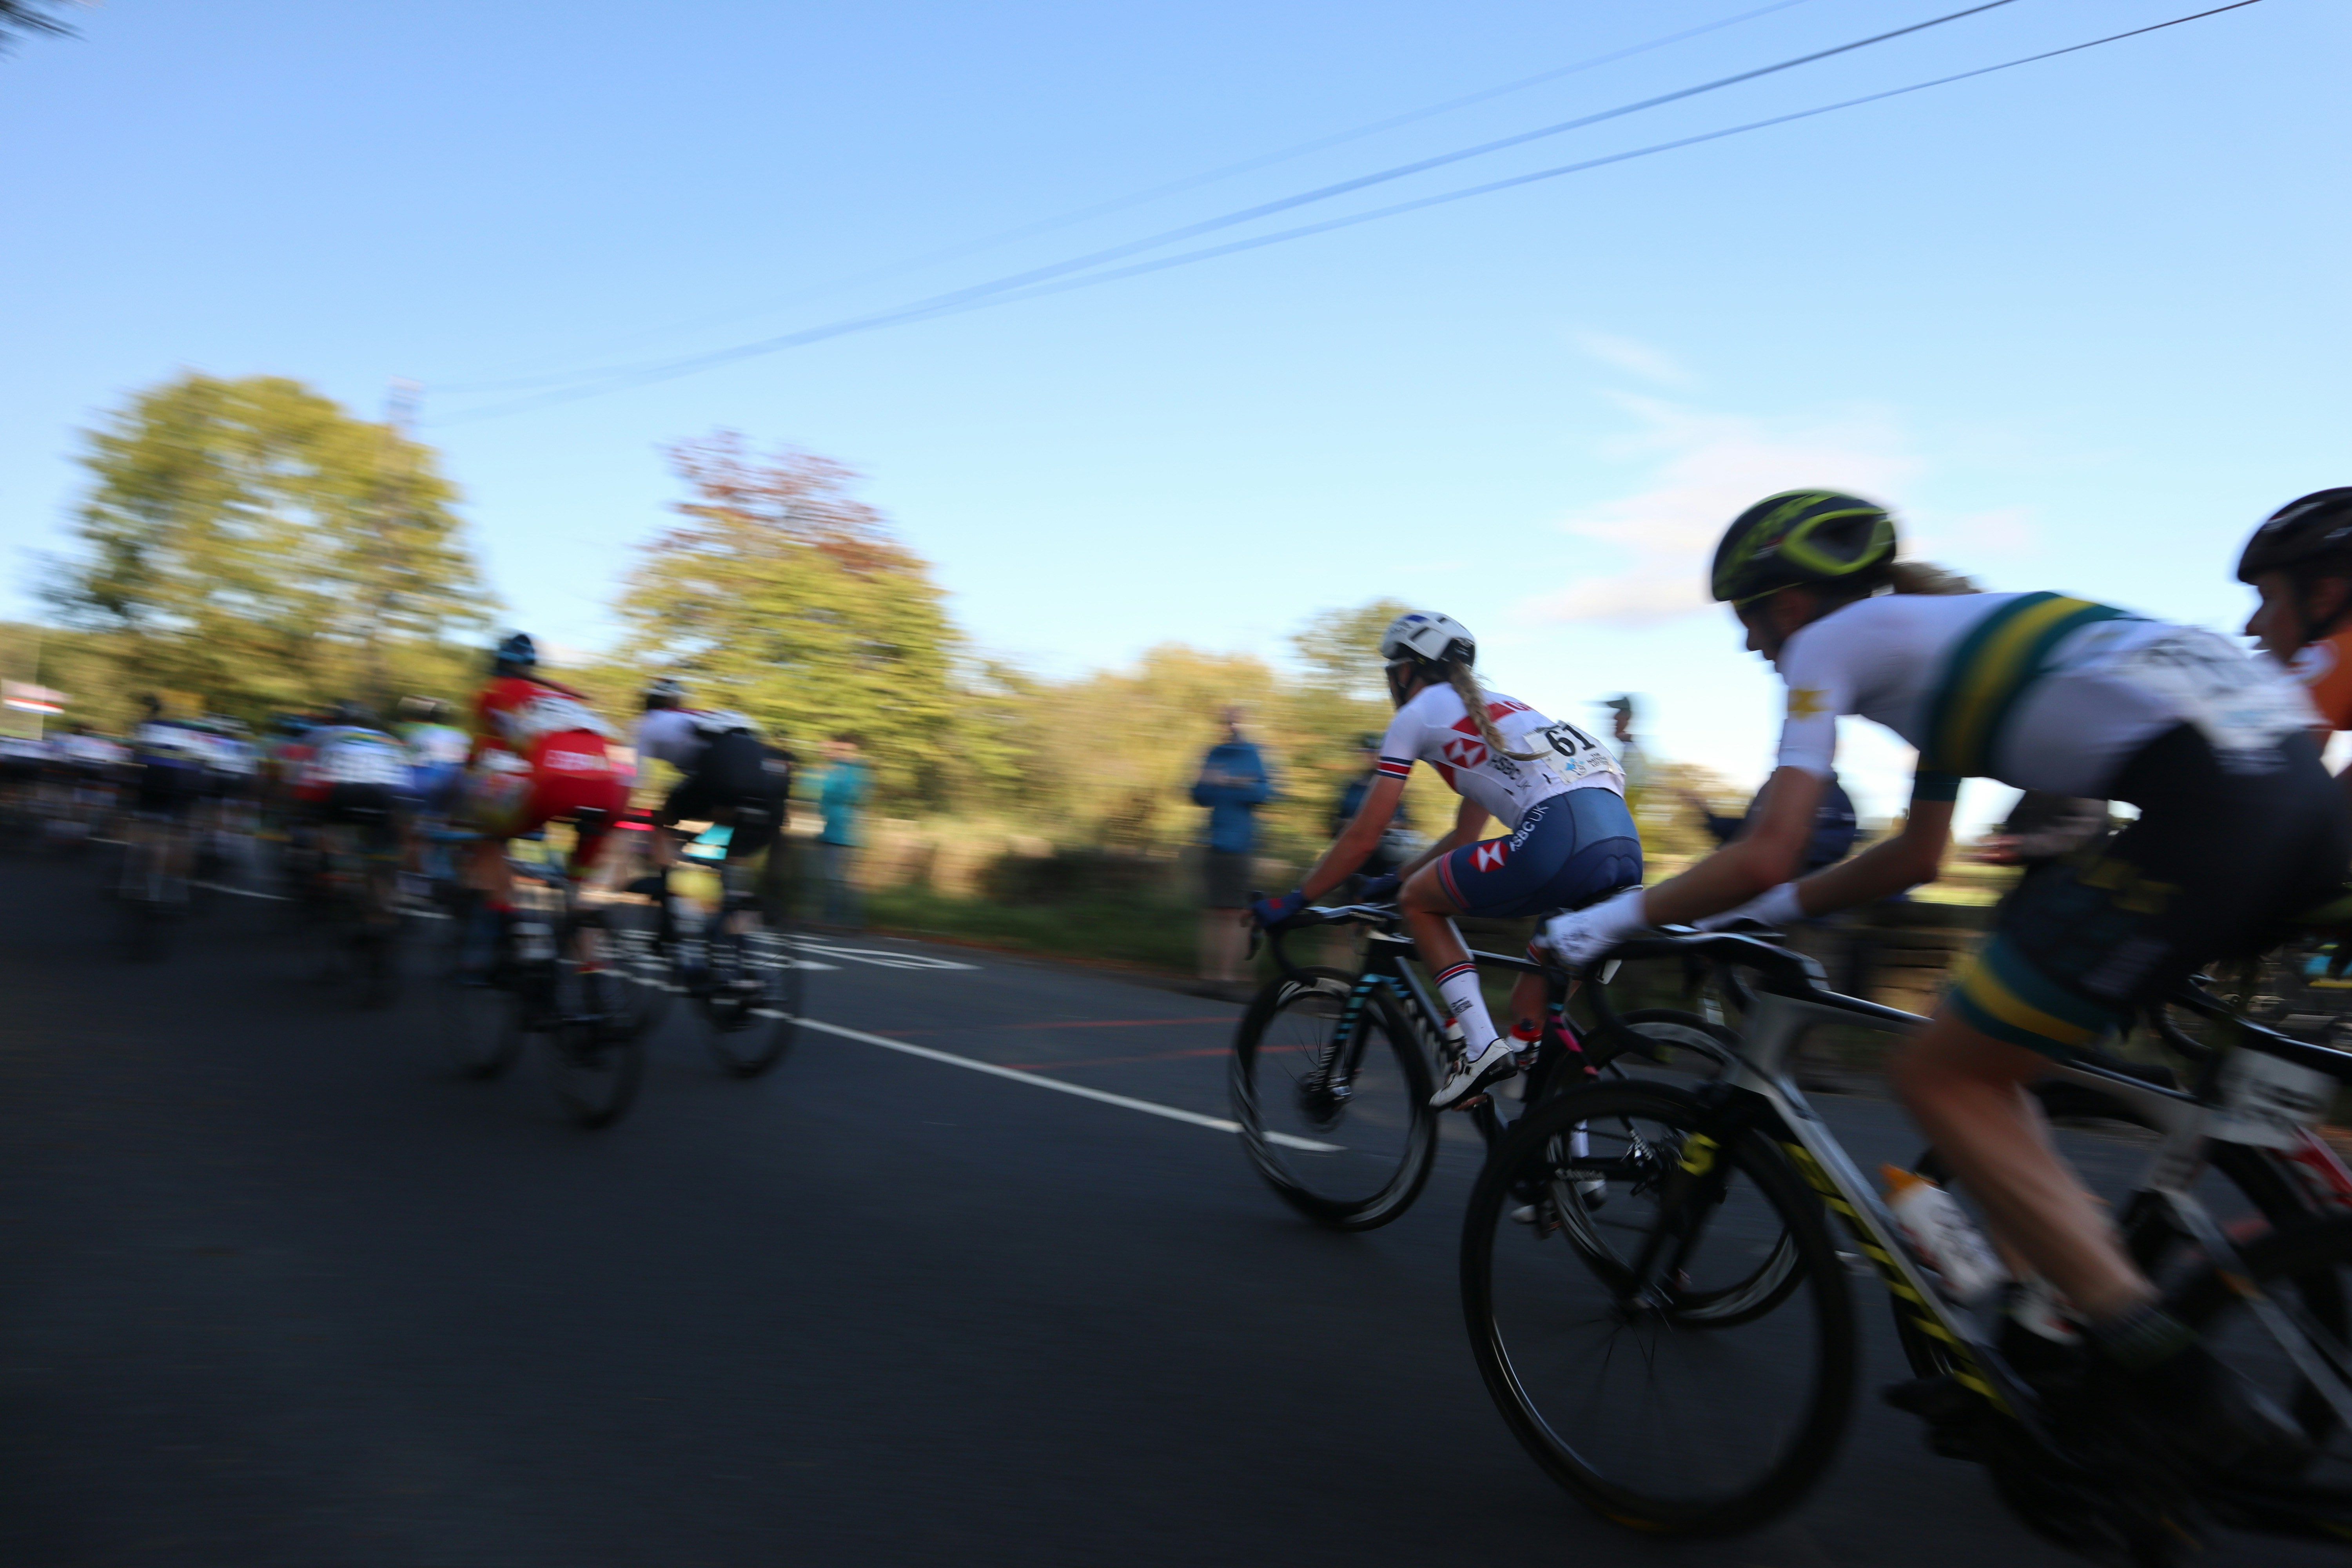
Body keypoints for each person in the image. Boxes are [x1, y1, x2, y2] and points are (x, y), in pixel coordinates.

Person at [1538, 488, 2343, 1471]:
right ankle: (2051, 1333)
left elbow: (1768, 847)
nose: (1752, 648)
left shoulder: (1834, 647)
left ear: (1789, 604)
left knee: (1940, 1075)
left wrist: (1601, 924)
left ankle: (2173, 1376)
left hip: (2214, 809)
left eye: (1748, 620)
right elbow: (1917, 856)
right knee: (1999, 1068)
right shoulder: (1943, 642)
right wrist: (1763, 914)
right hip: (2299, 809)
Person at [1251, 611, 1641, 1109]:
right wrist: (1394, 877)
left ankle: (1478, 1047)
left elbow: (1364, 834)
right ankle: (1565, 1164)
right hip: (1622, 848)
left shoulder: (1417, 715)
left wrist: (1295, 899)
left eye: (1391, 671)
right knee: (1533, 1024)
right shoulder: (1501, 710)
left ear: (1408, 671)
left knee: (1420, 902)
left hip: (1560, 838)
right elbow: (1464, 835)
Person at [457, 632, 630, 955]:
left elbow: (485, 754)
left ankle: (501, 925)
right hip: (607, 789)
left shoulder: (494, 693)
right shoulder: (565, 698)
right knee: (576, 882)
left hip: (551, 785)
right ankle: (586, 944)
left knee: (487, 838)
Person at [2241, 488, 2352, 782]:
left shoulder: (2340, 653)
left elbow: (2252, 788)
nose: (2249, 627)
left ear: (2323, 598)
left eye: (2268, 597)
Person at [1191, 707, 1272, 996]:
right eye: (1227, 721)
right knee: (1213, 912)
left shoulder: (1254, 754)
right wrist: (1209, 781)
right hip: (1214, 841)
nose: (1231, 725)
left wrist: (1232, 782)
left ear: (1245, 722)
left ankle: (1228, 980)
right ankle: (1208, 978)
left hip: (1242, 843)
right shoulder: (1214, 753)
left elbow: (1266, 794)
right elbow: (1198, 795)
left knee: (1234, 912)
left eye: (1236, 720)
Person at [1331, 732, 1416, 895]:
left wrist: (1371, 825)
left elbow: (1403, 824)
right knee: (1351, 900)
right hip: (1352, 855)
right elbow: (1336, 821)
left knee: (1376, 902)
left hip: (1383, 858)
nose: (1373, 758)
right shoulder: (1352, 787)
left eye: (1377, 753)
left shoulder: (1395, 786)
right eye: (1368, 753)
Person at [815, 733, 869, 931]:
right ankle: (838, 918)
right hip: (834, 832)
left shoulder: (853, 772)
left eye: (844, 750)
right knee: (835, 878)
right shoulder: (840, 770)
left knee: (838, 879)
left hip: (845, 834)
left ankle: (839, 919)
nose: (839, 754)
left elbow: (847, 795)